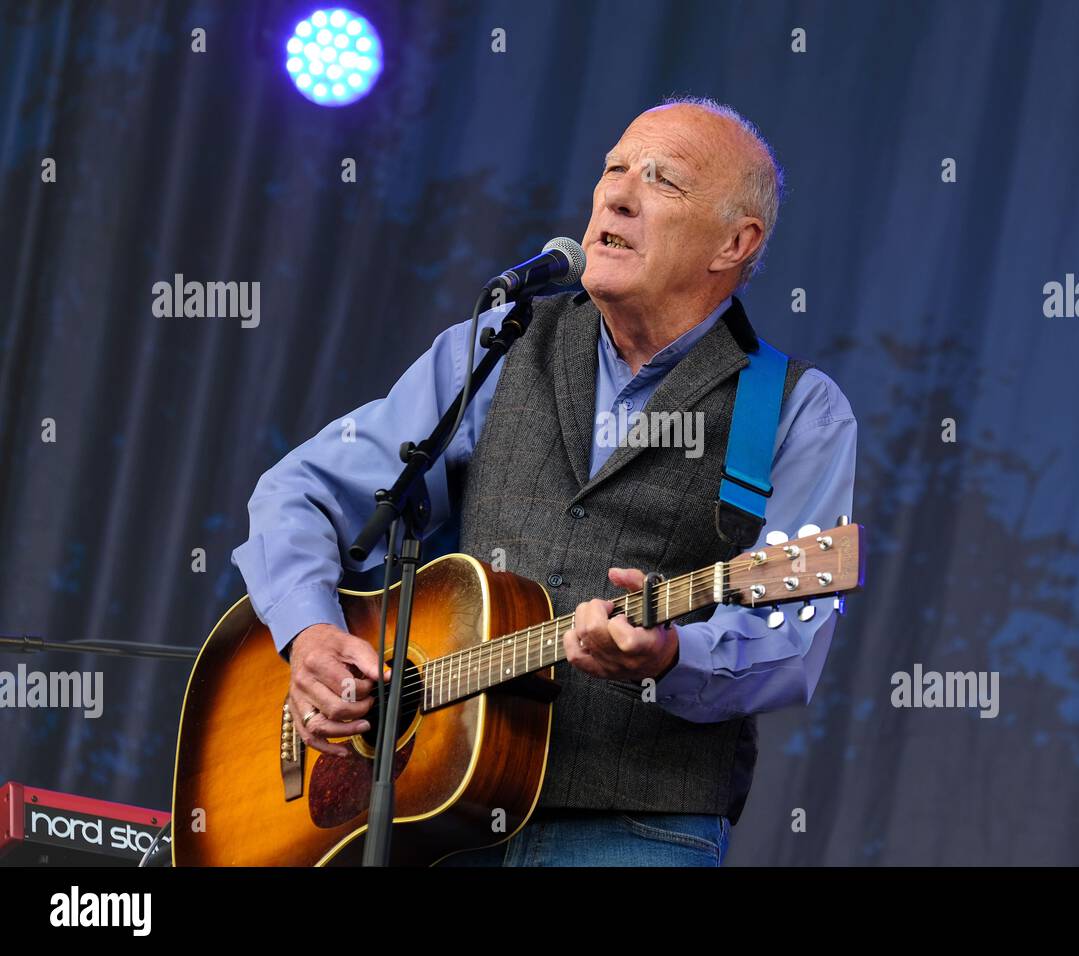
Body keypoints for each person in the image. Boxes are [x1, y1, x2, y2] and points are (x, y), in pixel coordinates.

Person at [232, 96, 857, 866]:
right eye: (614, 168)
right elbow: (302, 491)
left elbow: (790, 641)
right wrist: (310, 633)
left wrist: (668, 658)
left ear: (735, 241)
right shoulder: (496, 346)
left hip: (637, 829)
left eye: (662, 180)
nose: (617, 194)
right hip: (434, 812)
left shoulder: (798, 409)